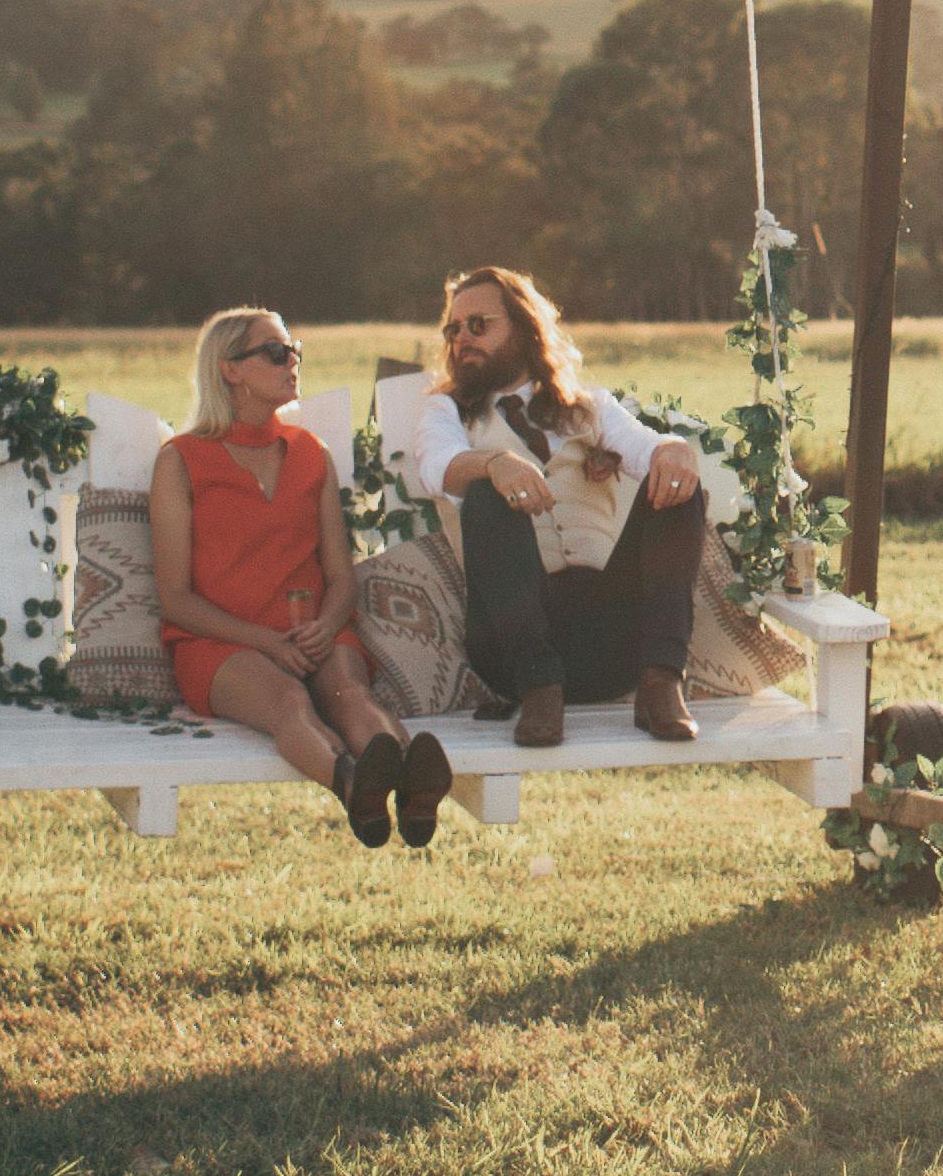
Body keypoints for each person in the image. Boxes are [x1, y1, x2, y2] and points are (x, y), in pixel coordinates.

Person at [155, 307, 450, 847]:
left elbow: (341, 576)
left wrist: (325, 625)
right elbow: (174, 599)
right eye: (274, 352)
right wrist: (264, 641)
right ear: (230, 370)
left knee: (349, 693)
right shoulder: (182, 460)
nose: (291, 362)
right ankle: (353, 784)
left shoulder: (310, 455)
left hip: (312, 630)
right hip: (220, 642)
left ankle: (411, 781)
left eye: (294, 350)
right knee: (286, 700)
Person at [397, 263, 716, 745]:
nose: (462, 338)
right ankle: (541, 692)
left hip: (610, 640)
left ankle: (661, 683)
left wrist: (670, 449)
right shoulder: (446, 412)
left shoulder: (587, 407)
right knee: (486, 491)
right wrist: (493, 464)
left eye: (478, 325)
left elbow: (641, 445)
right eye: (453, 329)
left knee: (678, 490)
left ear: (525, 329)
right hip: (512, 649)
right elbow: (438, 466)